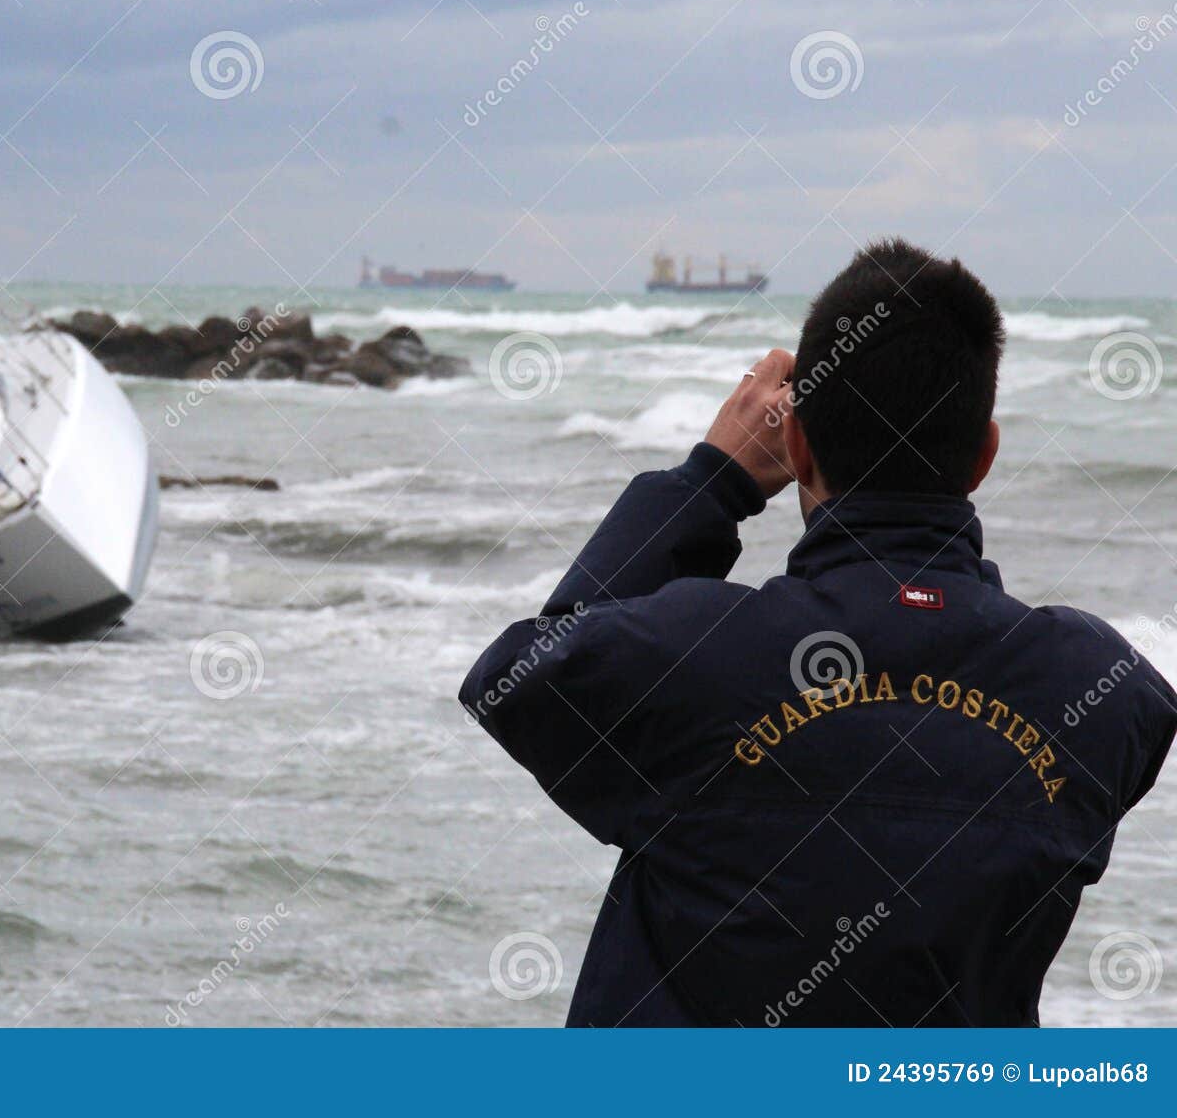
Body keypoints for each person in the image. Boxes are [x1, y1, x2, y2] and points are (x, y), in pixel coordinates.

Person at [460, 239, 1175, 1026]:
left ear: (797, 445)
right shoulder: (1106, 692)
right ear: (984, 457)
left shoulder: (690, 659)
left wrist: (712, 480)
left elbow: (519, 674)